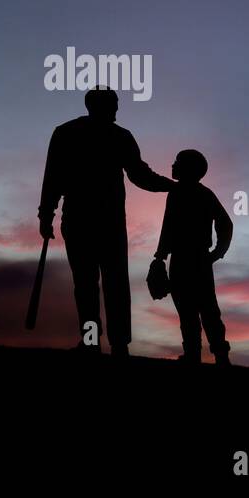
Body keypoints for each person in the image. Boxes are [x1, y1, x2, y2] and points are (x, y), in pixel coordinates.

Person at [38, 87, 173, 357]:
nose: (117, 109)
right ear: (98, 106)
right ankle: (113, 344)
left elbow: (53, 178)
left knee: (91, 284)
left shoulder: (71, 132)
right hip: (97, 221)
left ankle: (100, 343)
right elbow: (54, 177)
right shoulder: (113, 135)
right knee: (110, 283)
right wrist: (46, 214)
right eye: (114, 104)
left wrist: (47, 214)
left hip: (86, 220)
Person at [154, 149, 233, 365]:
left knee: (203, 309)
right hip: (188, 259)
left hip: (193, 259)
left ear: (188, 168)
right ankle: (201, 354)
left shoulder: (197, 194)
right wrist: (160, 257)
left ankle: (213, 354)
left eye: (177, 161)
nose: (173, 164)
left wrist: (217, 252)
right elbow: (168, 228)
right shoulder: (182, 193)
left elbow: (224, 223)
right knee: (193, 309)